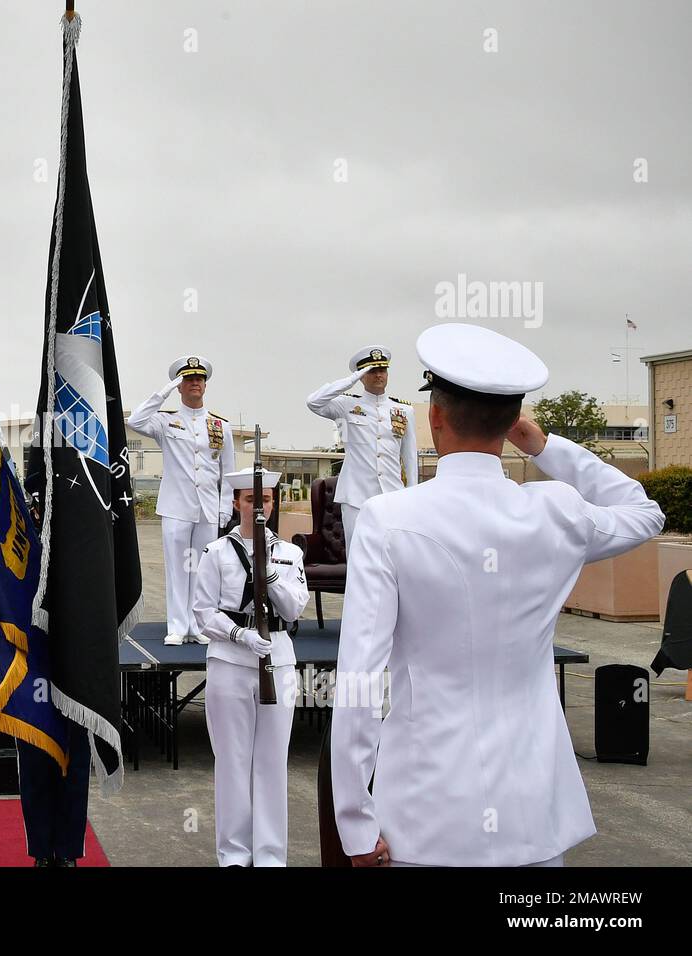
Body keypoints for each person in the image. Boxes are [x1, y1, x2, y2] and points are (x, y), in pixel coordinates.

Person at [331, 323, 666, 868]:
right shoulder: (556, 510)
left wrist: (354, 821)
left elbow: (360, 681)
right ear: (512, 423)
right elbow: (644, 510)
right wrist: (545, 446)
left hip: (427, 814)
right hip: (532, 814)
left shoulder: (389, 519)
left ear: (434, 416)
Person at [195, 468, 308, 866]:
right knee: (232, 762)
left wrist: (270, 571)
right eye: (250, 500)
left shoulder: (290, 553)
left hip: (276, 661)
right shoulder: (217, 552)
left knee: (272, 763)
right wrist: (238, 635)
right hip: (230, 661)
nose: (258, 507)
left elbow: (294, 607)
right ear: (235, 503)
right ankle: (233, 856)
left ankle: (271, 856)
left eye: (265, 500)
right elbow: (203, 613)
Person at [128, 355, 235, 645]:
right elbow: (136, 419)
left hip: (208, 506)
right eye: (188, 379)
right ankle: (177, 625)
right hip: (176, 506)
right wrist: (163, 390)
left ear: (206, 385)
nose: (195, 383)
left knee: (203, 569)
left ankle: (199, 624)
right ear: (179, 385)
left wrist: (225, 507)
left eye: (199, 379)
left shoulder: (219, 426)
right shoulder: (166, 421)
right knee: (177, 566)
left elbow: (229, 472)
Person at [306, 346, 416, 549]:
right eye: (372, 371)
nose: (378, 375)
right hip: (357, 497)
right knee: (357, 556)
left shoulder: (403, 410)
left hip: (392, 495)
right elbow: (313, 402)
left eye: (382, 370)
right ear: (362, 375)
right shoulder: (346, 406)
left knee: (394, 556)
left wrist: (412, 496)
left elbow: (409, 457)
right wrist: (351, 379)